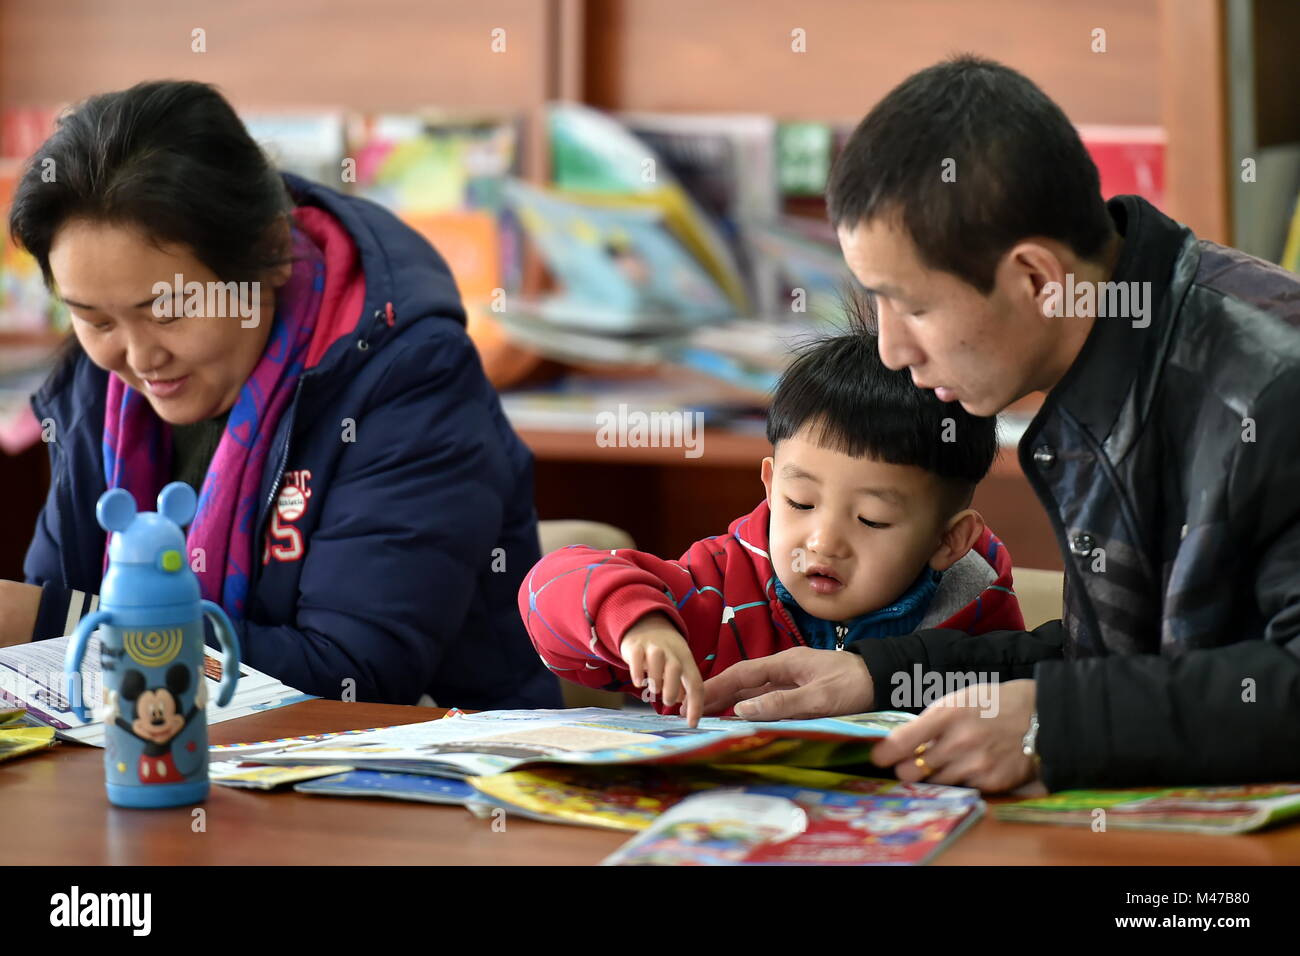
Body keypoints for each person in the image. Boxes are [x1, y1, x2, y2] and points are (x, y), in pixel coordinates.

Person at [702, 54, 1300, 793]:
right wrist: (875, 674)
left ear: (1037, 280)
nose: (891, 348)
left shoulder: (1271, 387)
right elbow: (1130, 664)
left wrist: (1056, 721)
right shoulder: (1125, 346)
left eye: (913, 306)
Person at [1, 80, 560, 710]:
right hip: (155, 771)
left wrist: (49, 624)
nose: (137, 357)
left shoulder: (406, 376)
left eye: (169, 310)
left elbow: (354, 680)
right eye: (96, 321)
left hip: (410, 787)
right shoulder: (94, 387)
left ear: (268, 252)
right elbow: (49, 676)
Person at [519, 314, 1023, 724]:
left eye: (871, 519)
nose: (823, 543)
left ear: (950, 540)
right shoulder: (716, 590)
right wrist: (638, 625)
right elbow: (547, 589)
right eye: (800, 503)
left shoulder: (976, 612)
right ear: (769, 482)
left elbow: (1011, 709)